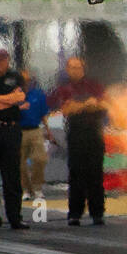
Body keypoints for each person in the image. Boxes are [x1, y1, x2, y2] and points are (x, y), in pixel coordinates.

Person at [51, 57, 108, 226]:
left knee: (96, 174)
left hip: (94, 134)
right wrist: (88, 104)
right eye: (72, 68)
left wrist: (83, 105)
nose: (76, 70)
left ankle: (97, 213)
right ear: (68, 70)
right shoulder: (64, 88)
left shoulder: (94, 85)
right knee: (76, 174)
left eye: (79, 67)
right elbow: (67, 109)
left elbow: (104, 104)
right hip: (76, 134)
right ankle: (75, 213)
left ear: (83, 68)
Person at [0, 48, 29, 228]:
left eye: (1, 60)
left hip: (11, 129)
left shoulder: (15, 76)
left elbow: (20, 97)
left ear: (7, 60)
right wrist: (9, 99)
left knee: (12, 175)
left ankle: (15, 216)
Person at [17, 68, 53, 203]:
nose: (25, 82)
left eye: (27, 80)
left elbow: (43, 113)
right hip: (18, 130)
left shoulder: (38, 94)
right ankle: (25, 189)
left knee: (40, 159)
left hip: (35, 129)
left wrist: (48, 130)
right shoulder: (14, 94)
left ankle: (37, 187)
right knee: (20, 163)